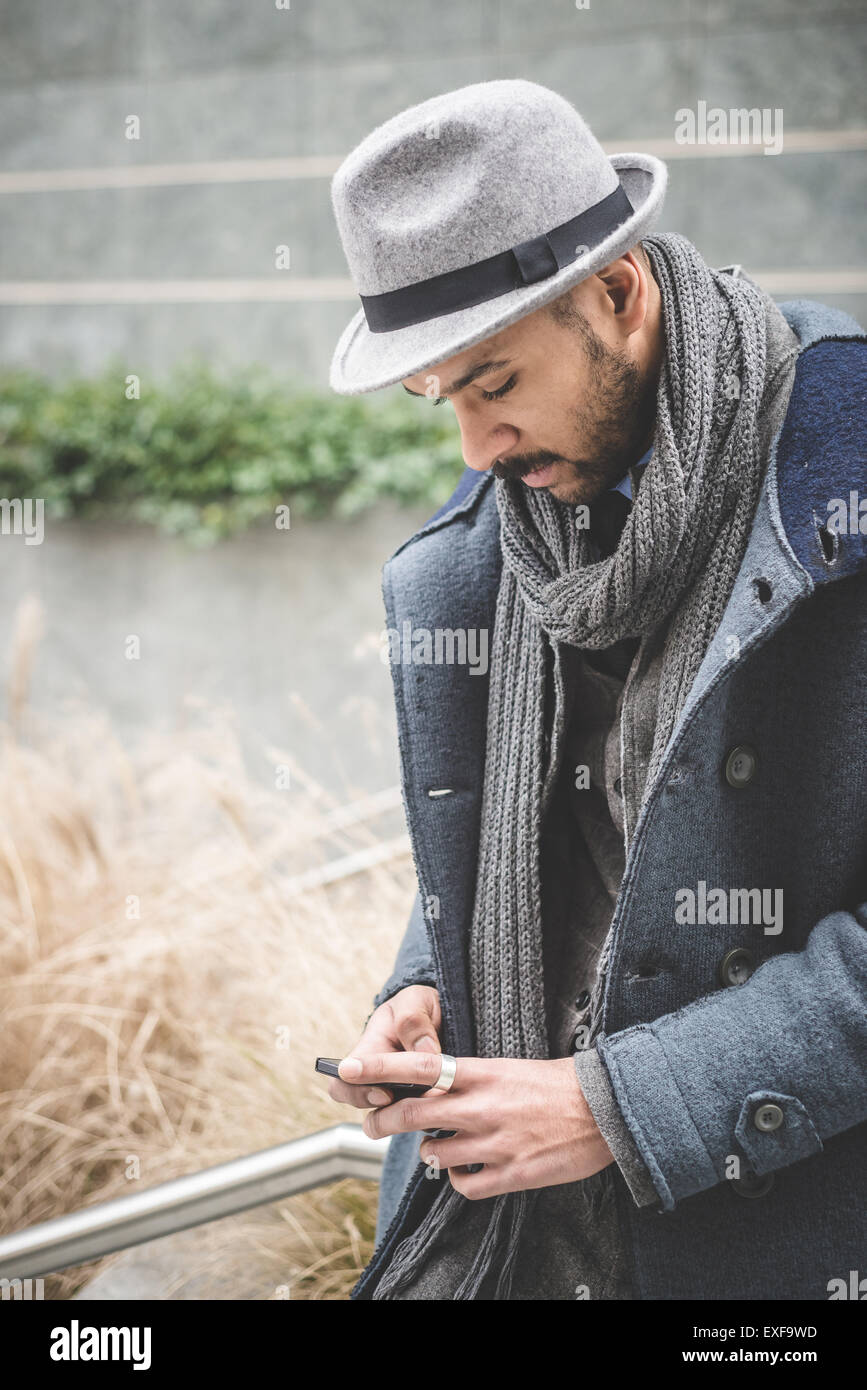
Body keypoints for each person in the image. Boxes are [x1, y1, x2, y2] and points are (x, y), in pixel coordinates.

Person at [325, 78, 867, 1300]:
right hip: (503, 1245)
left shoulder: (846, 482)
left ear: (618, 298)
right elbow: (518, 845)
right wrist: (426, 984)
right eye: (441, 399)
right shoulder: (486, 557)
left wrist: (617, 1106)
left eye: (495, 382)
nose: (475, 451)